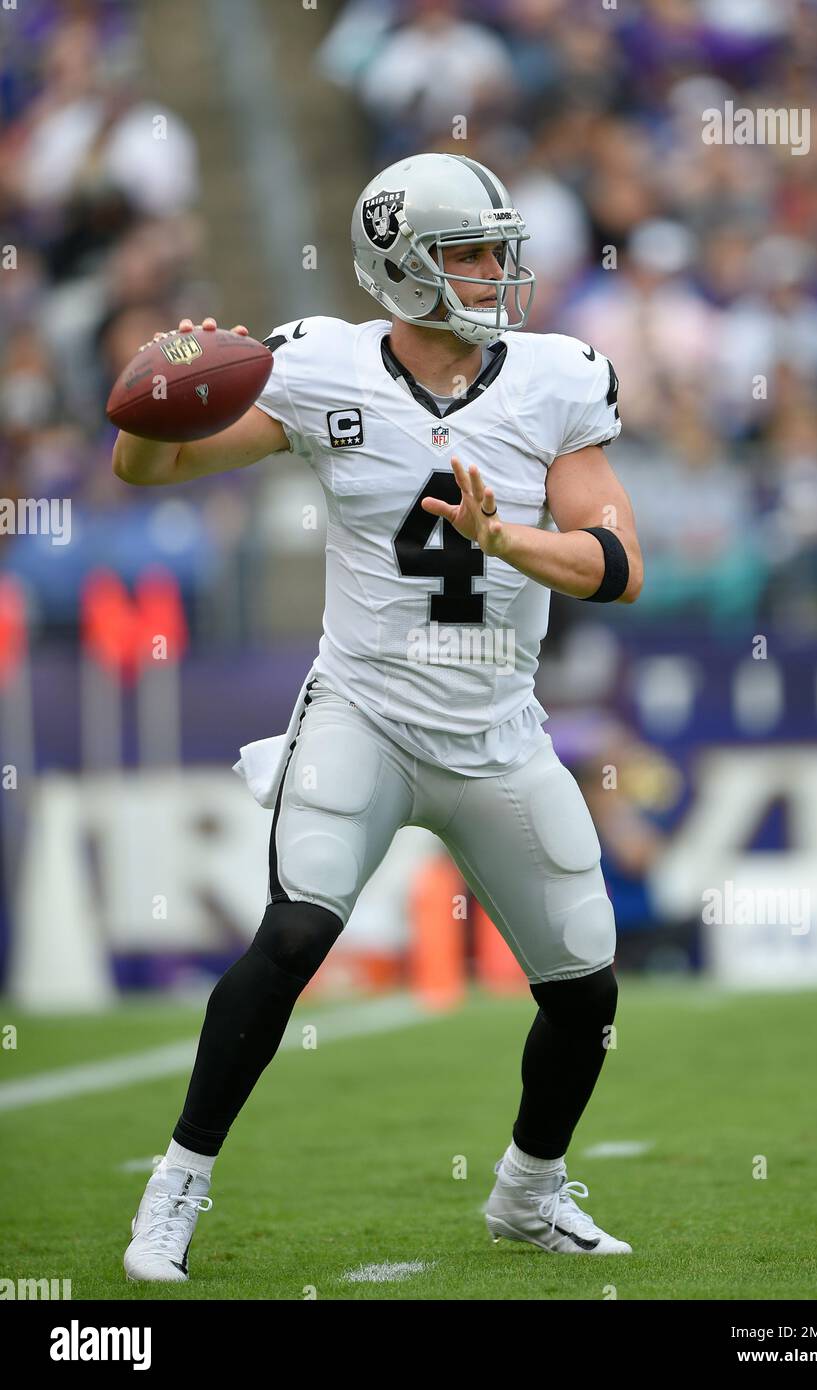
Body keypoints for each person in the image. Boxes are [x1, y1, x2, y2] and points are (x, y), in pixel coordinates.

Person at [112, 151, 643, 1280]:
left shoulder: (556, 378)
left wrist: (511, 541)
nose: (498, 270)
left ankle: (529, 1193)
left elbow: (616, 563)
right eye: (470, 251)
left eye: (500, 247)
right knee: (298, 928)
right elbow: (151, 469)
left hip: (498, 723)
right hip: (365, 708)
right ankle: (176, 1185)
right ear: (403, 271)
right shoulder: (317, 365)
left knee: (586, 986)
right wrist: (152, 395)